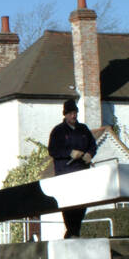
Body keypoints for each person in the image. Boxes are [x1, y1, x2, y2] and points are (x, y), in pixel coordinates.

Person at [47, 98, 98, 238]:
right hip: (66, 174)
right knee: (68, 204)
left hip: (82, 173)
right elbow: (53, 150)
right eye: (70, 113)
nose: (73, 116)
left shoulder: (84, 129)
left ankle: (75, 231)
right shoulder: (58, 131)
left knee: (82, 203)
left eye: (75, 113)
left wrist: (89, 154)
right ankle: (71, 231)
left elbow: (93, 145)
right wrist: (69, 153)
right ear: (65, 115)